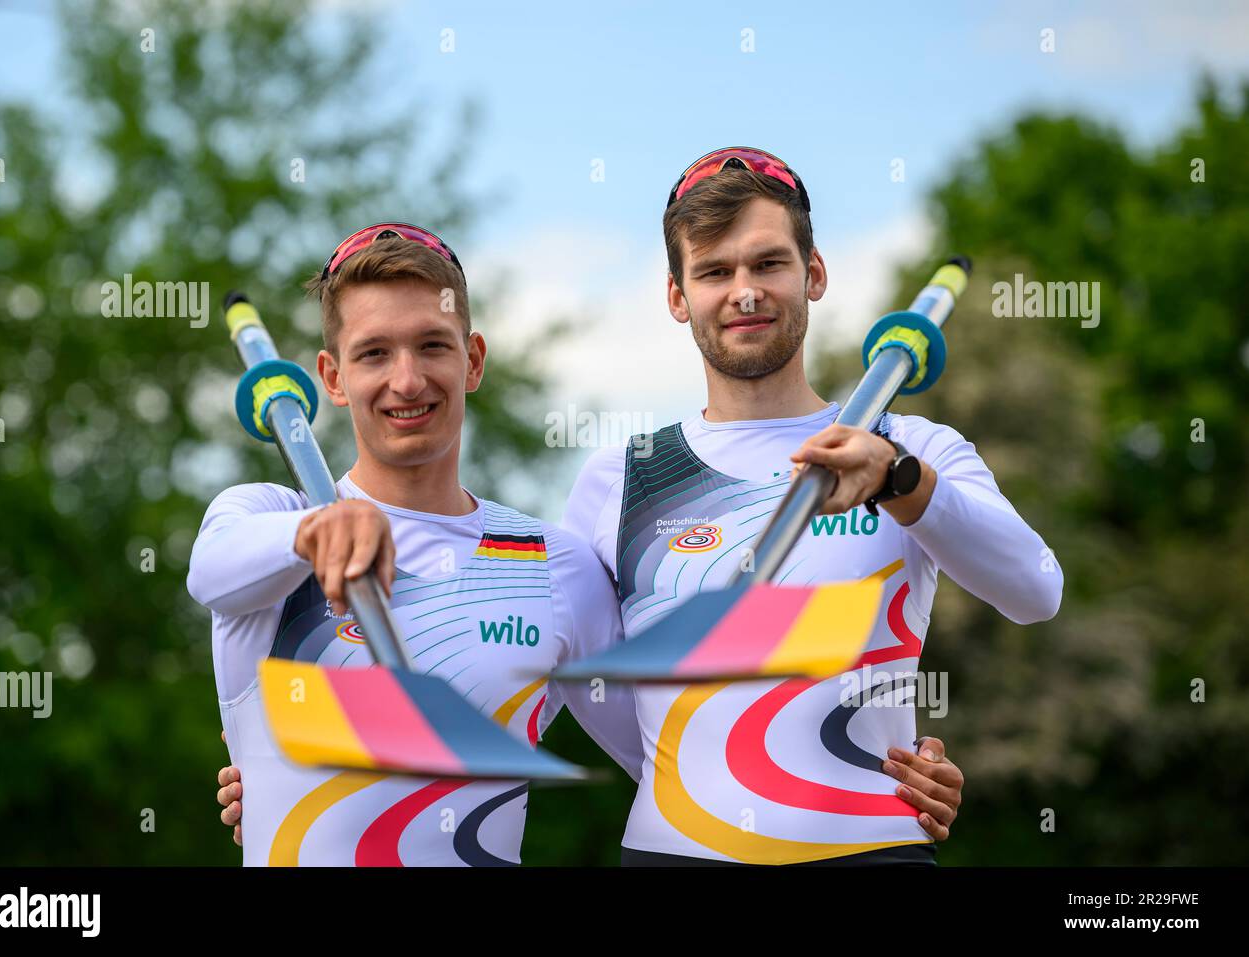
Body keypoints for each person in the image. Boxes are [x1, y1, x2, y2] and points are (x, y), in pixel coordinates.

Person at [558, 147, 1060, 865]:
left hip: (872, 851)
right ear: (677, 296)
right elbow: (595, 684)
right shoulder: (621, 477)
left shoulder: (911, 446)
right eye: (714, 271)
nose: (745, 291)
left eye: (768, 264)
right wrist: (700, 769)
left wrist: (900, 483)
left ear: (812, 273)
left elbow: (1037, 588)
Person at [189, 223, 642, 866]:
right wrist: (320, 531)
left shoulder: (556, 566)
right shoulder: (271, 519)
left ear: (473, 360)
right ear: (332, 377)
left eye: (432, 346)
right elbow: (208, 573)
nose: (407, 381)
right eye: (374, 353)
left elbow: (673, 769)